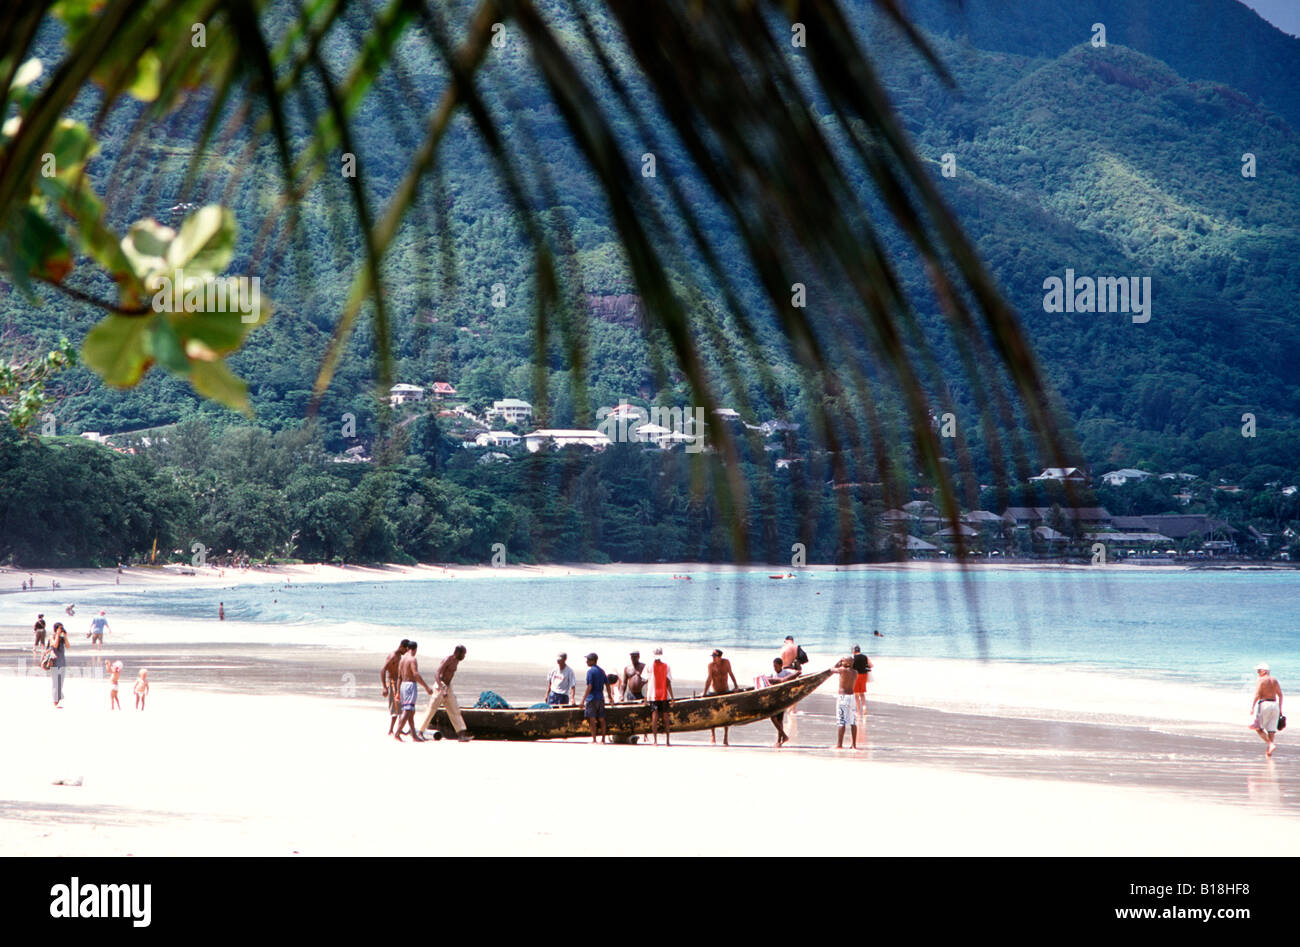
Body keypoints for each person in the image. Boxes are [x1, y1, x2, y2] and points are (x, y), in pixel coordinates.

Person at [421, 645, 472, 742]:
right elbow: (437, 673)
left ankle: (461, 735)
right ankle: (420, 732)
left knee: (455, 710)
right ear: (457, 653)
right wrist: (442, 688)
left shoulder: (457, 661)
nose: (464, 657)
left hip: (448, 687)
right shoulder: (448, 659)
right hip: (441, 686)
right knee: (431, 710)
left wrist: (447, 689)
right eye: (463, 654)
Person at [394, 641, 433, 742]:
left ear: (407, 648)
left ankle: (414, 736)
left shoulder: (402, 660)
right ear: (415, 649)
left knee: (411, 711)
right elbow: (415, 674)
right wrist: (426, 687)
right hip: (410, 685)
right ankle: (397, 733)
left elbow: (399, 677)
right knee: (408, 711)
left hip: (403, 685)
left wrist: (398, 692)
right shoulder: (412, 659)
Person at [702, 649, 738, 746]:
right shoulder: (711, 665)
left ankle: (725, 737)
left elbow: (730, 673)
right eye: (712, 656)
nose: (713, 658)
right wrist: (704, 692)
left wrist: (736, 685)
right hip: (714, 691)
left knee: (726, 714)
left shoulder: (726, 662)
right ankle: (713, 736)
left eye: (715, 656)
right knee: (713, 713)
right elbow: (709, 679)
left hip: (725, 690)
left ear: (720, 657)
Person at [1250, 662, 1284, 758]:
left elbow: (1257, 694)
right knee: (1271, 729)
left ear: (1264, 671)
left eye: (1259, 670)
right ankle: (1269, 752)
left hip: (1264, 704)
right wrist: (1280, 709)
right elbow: (1280, 695)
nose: (1257, 672)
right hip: (1275, 705)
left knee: (1257, 728)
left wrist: (1252, 706)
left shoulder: (1261, 680)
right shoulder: (1274, 680)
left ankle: (1270, 744)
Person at [583, 653, 615, 743]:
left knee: (592, 719)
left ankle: (594, 740)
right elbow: (607, 684)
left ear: (593, 661)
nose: (587, 661)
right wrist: (609, 696)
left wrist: (582, 699)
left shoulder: (590, 672)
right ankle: (603, 740)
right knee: (601, 719)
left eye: (588, 660)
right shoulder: (601, 671)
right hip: (600, 698)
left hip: (592, 698)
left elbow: (589, 686)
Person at [381, 639, 411, 735]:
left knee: (400, 707)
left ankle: (399, 729)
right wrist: (384, 687)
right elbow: (383, 670)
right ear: (402, 647)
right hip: (393, 683)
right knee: (395, 707)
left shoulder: (399, 656)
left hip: (398, 683)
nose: (406, 652)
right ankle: (390, 730)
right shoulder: (393, 656)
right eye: (406, 650)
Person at [645, 647, 674, 745]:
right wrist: (672, 697)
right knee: (666, 717)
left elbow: (646, 681)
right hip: (663, 695)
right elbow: (668, 683)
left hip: (653, 695)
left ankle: (655, 741)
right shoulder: (667, 666)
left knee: (655, 717)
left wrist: (646, 698)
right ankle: (667, 741)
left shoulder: (649, 666)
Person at [833, 656, 858, 749]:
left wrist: (838, 662)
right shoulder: (855, 672)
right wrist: (844, 662)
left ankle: (839, 745)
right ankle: (854, 745)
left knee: (841, 721)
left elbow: (831, 669)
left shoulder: (842, 670)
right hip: (852, 697)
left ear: (846, 663)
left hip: (843, 697)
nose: (841, 662)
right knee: (853, 721)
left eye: (843, 660)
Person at [48, 621, 69, 708]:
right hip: (55, 662)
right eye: (60, 628)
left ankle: (58, 699)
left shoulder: (62, 638)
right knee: (55, 682)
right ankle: (55, 702)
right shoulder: (51, 637)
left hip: (62, 661)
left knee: (61, 682)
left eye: (62, 628)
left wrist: (65, 637)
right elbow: (55, 645)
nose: (61, 630)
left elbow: (68, 646)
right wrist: (57, 635)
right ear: (56, 629)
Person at [851, 645, 873, 716]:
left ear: (853, 651)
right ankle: (864, 707)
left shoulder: (853, 658)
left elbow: (851, 667)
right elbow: (871, 665)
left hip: (856, 676)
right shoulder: (865, 657)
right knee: (862, 693)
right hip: (864, 676)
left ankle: (858, 710)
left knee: (856, 694)